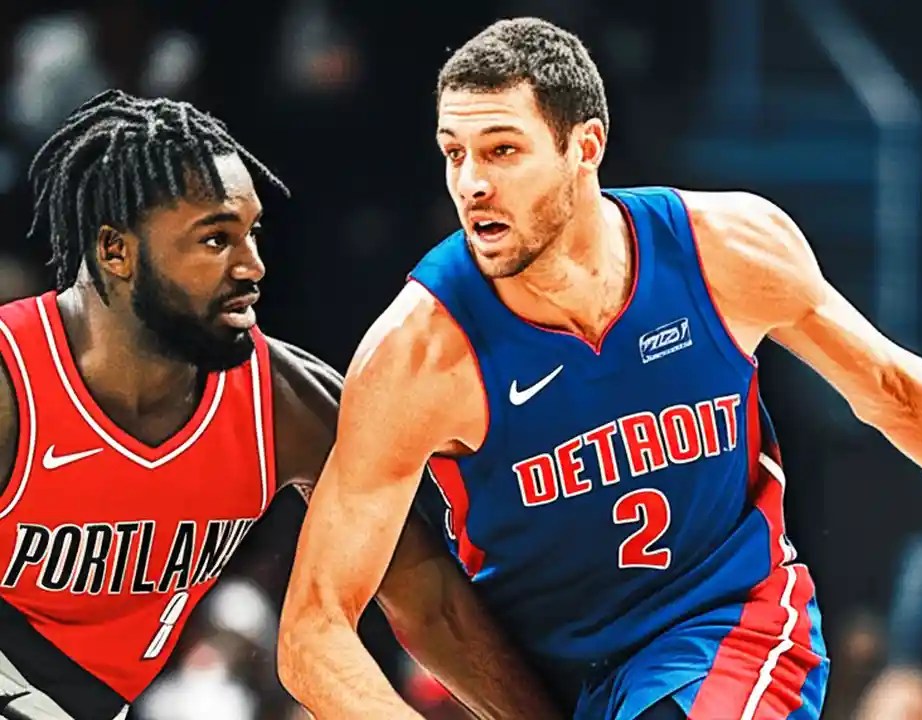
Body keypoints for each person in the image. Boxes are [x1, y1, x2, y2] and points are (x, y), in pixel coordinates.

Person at [277, 17, 922, 720]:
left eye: (502, 150)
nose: (471, 182)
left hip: (732, 623)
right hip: (549, 679)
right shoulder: (418, 353)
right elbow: (314, 631)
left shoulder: (726, 250)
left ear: (584, 147)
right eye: (454, 153)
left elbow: (896, 392)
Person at [0, 90, 557, 720]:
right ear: (115, 251)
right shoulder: (13, 384)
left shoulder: (288, 405)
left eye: (252, 234)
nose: (253, 266)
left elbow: (433, 605)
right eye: (216, 240)